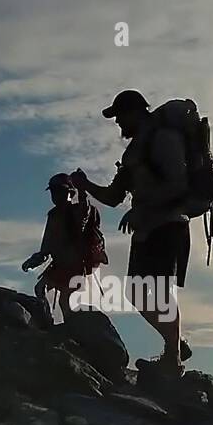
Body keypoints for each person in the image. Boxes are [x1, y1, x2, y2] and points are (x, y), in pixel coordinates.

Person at [71, 89, 193, 375]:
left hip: (170, 225)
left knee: (159, 292)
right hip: (148, 230)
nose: (118, 124)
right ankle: (174, 346)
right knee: (138, 292)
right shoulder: (134, 151)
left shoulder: (164, 139)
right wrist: (85, 184)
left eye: (120, 116)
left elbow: (178, 186)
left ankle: (172, 358)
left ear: (136, 112)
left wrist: (142, 209)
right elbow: (115, 196)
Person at [22, 173, 108, 324]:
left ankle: (66, 326)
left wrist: (82, 189)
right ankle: (48, 321)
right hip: (60, 263)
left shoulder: (76, 211)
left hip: (75, 264)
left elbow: (85, 212)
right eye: (54, 192)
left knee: (63, 298)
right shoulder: (53, 215)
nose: (56, 195)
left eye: (59, 191)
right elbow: (46, 246)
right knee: (42, 289)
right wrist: (34, 260)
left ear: (70, 193)